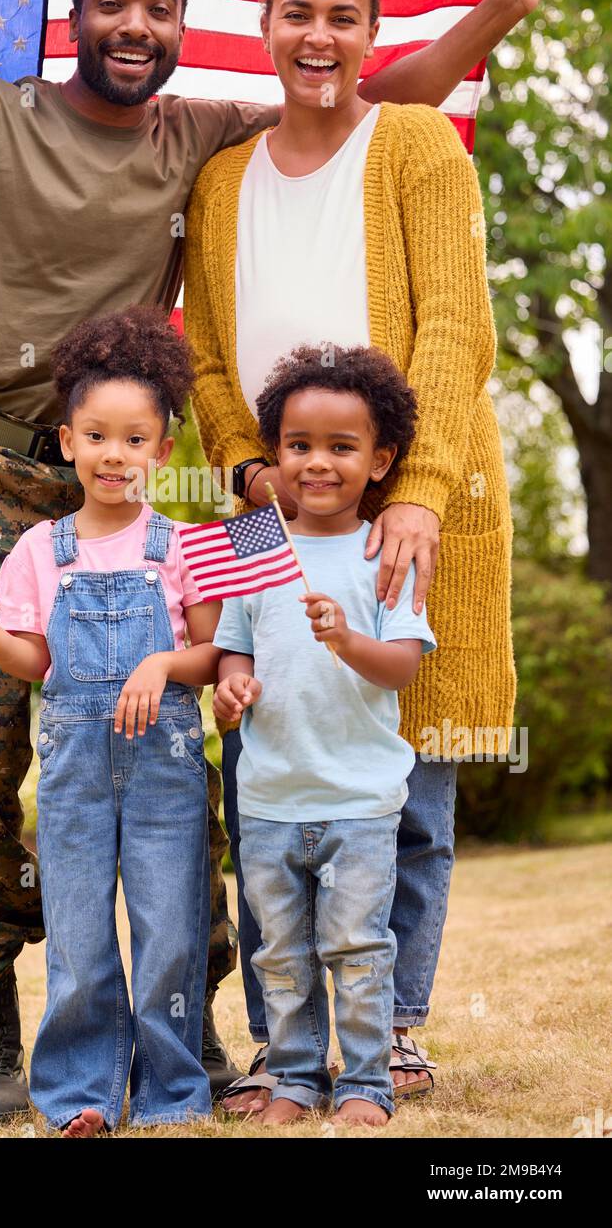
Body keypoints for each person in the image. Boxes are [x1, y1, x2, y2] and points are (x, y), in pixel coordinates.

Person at [0, 0, 553, 1123]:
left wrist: (490, 15)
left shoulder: (202, 136)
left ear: (184, 23)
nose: (135, 24)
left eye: (158, 7)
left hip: (127, 490)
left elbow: (363, 90)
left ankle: (202, 1037)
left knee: (179, 764)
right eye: (112, 1)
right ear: (73, 10)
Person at [183, 0, 521, 1109]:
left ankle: (396, 1026)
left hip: (411, 500)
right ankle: (289, 1042)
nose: (316, 37)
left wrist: (417, 485)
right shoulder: (221, 179)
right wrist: (239, 463)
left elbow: (451, 332)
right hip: (271, 506)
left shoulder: (418, 146)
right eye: (294, 15)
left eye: (340, 17)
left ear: (370, 39)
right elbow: (207, 357)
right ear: (264, 30)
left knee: (409, 776)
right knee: (274, 758)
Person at [0, 309, 220, 1135]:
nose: (115, 456)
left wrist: (161, 665)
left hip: (163, 767)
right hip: (75, 774)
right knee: (81, 937)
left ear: (162, 451)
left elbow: (212, 656)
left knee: (168, 933)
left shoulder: (182, 548)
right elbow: (39, 660)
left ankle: (171, 1094)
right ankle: (80, 1097)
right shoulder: (37, 551)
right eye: (98, 437)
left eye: (135, 440)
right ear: (67, 442)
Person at [212, 344, 436, 1125]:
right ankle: (297, 1078)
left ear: (380, 462)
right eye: (299, 445)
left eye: (342, 448)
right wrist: (230, 686)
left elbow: (402, 667)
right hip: (270, 796)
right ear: (274, 454)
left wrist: (344, 639)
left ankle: (368, 1083)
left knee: (356, 948)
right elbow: (234, 643)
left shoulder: (386, 553)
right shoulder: (253, 547)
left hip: (359, 798)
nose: (317, 463)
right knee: (279, 952)